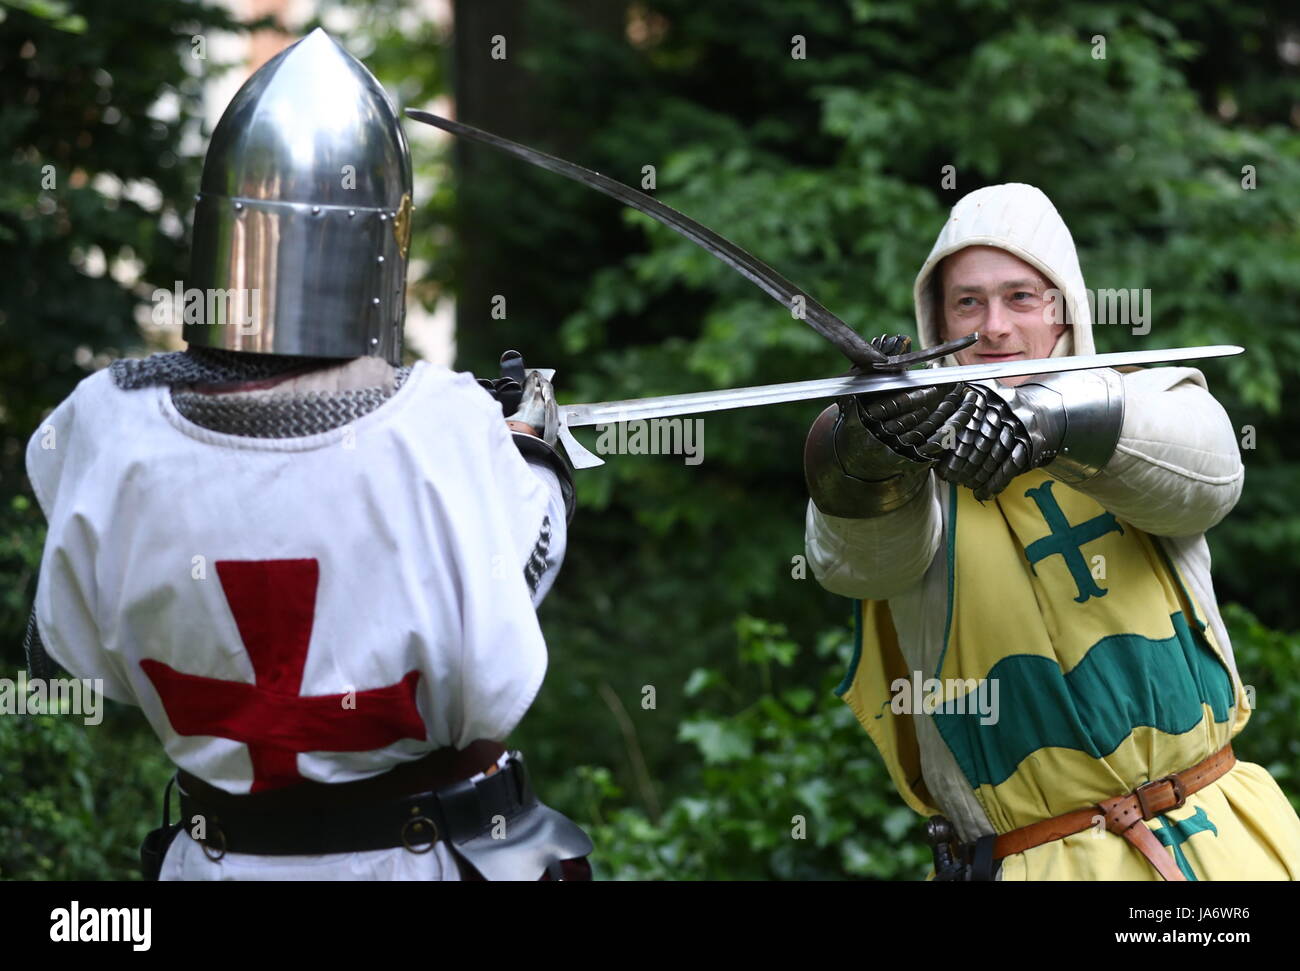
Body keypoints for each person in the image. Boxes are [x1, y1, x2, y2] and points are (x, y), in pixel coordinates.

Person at [23, 28, 592, 881]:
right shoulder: (442, 425)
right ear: (379, 245)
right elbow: (506, 599)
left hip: (211, 864)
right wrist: (536, 457)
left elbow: (58, 652)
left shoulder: (104, 421)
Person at [803, 182, 1300, 880]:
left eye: (1021, 297)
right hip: (1033, 862)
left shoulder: (1144, 406)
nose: (995, 327)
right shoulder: (913, 479)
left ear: (1066, 309)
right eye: (967, 302)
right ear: (935, 318)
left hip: (1222, 835)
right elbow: (857, 567)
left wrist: (1046, 424)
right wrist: (870, 451)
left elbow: (1211, 473)